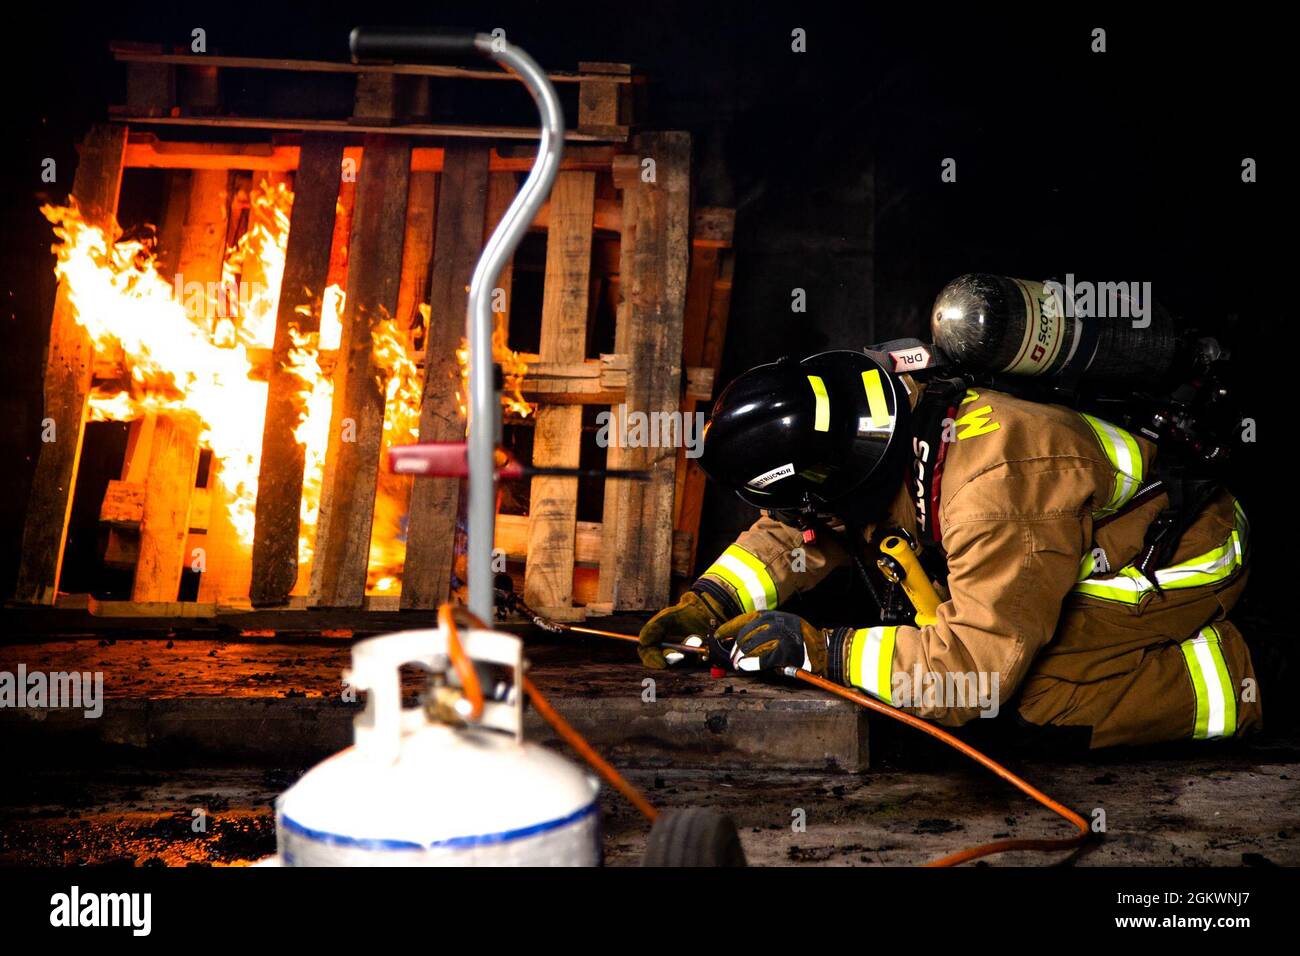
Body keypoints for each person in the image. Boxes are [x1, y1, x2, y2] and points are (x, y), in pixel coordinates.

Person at [638, 350, 1260, 748]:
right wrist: (710, 602)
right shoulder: (878, 409)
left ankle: (1237, 677)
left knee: (1024, 698)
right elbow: (805, 526)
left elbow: (971, 673)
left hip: (1185, 551)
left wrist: (821, 651)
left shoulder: (990, 493)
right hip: (1060, 536)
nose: (813, 518)